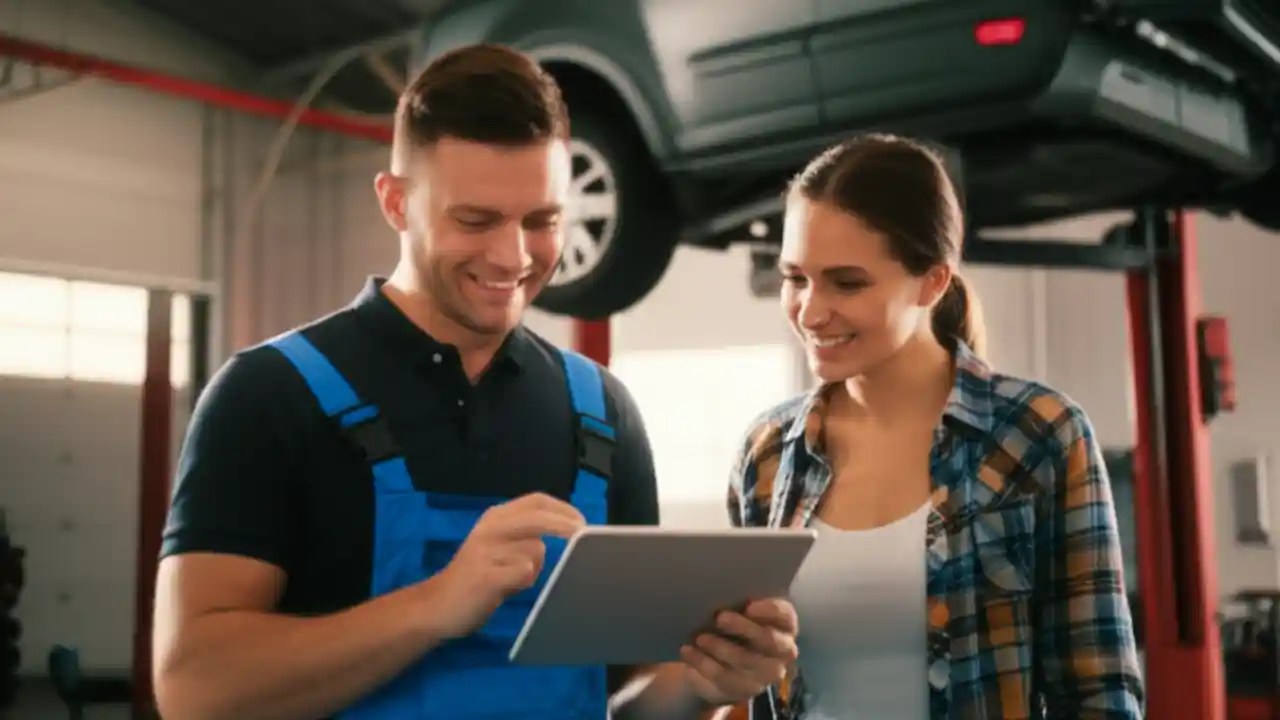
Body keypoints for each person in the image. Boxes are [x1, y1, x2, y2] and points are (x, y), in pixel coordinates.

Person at [152, 43, 799, 720]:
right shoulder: (267, 396)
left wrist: (704, 683)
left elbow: (628, 697)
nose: (513, 256)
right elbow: (194, 690)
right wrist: (435, 605)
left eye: (542, 221)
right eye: (476, 220)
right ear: (396, 202)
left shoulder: (603, 416)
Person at [727, 134, 1145, 719]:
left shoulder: (1039, 435)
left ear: (933, 281)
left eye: (847, 282)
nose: (811, 311)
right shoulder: (768, 454)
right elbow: (751, 693)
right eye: (795, 278)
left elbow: (1100, 696)